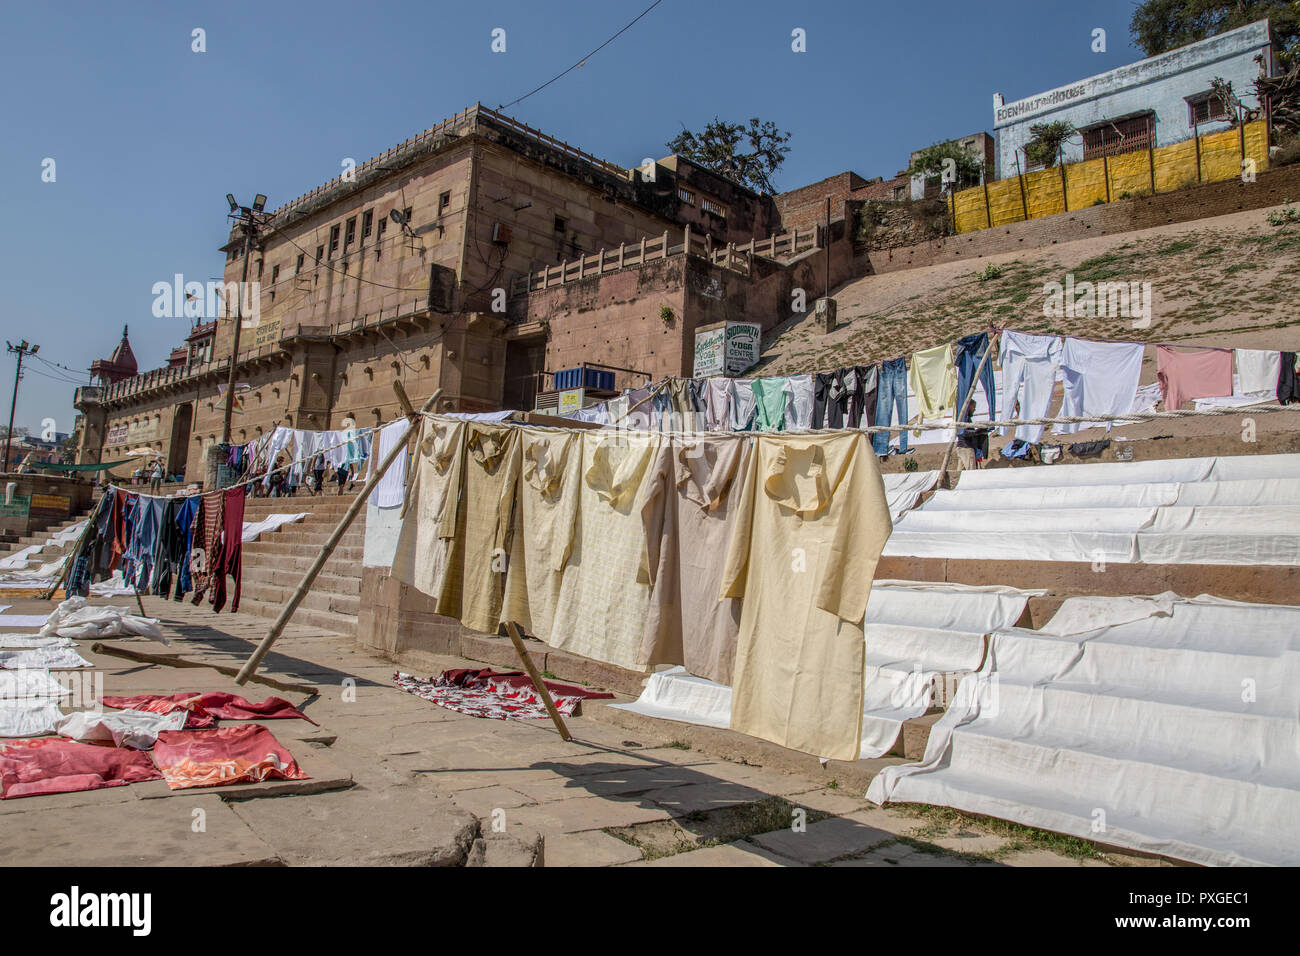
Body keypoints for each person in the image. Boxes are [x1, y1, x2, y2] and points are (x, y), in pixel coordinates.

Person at [955, 399, 989, 472]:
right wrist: (977, 432)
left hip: (960, 447)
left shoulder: (962, 418)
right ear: (969, 406)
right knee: (971, 472)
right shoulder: (965, 419)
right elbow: (964, 432)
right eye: (973, 407)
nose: (974, 409)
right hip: (967, 448)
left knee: (960, 473)